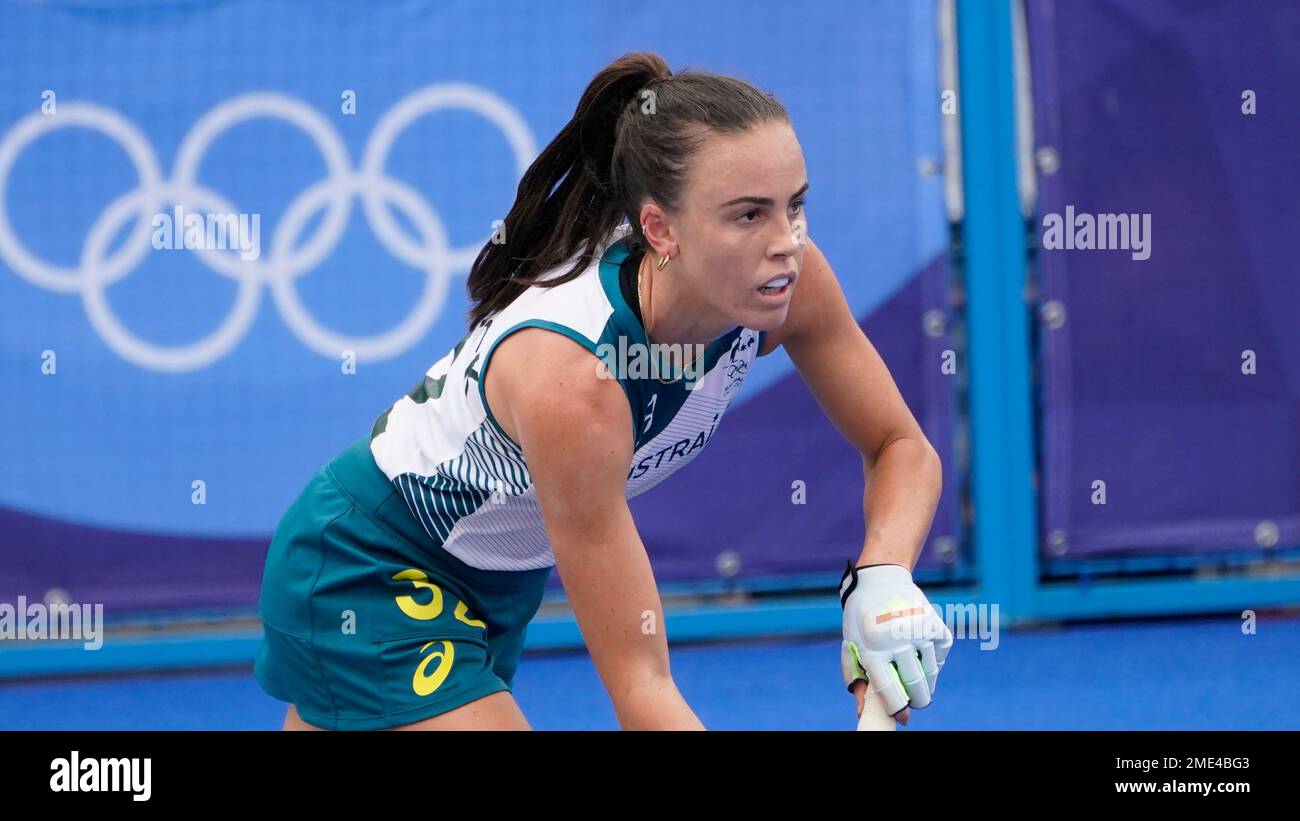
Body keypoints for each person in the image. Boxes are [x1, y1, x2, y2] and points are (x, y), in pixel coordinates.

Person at [254, 51, 951, 730]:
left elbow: (899, 445)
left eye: (794, 206)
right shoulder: (574, 382)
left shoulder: (790, 280)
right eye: (747, 215)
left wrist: (881, 577)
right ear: (660, 229)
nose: (787, 241)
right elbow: (641, 685)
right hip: (369, 562)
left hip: (497, 577)